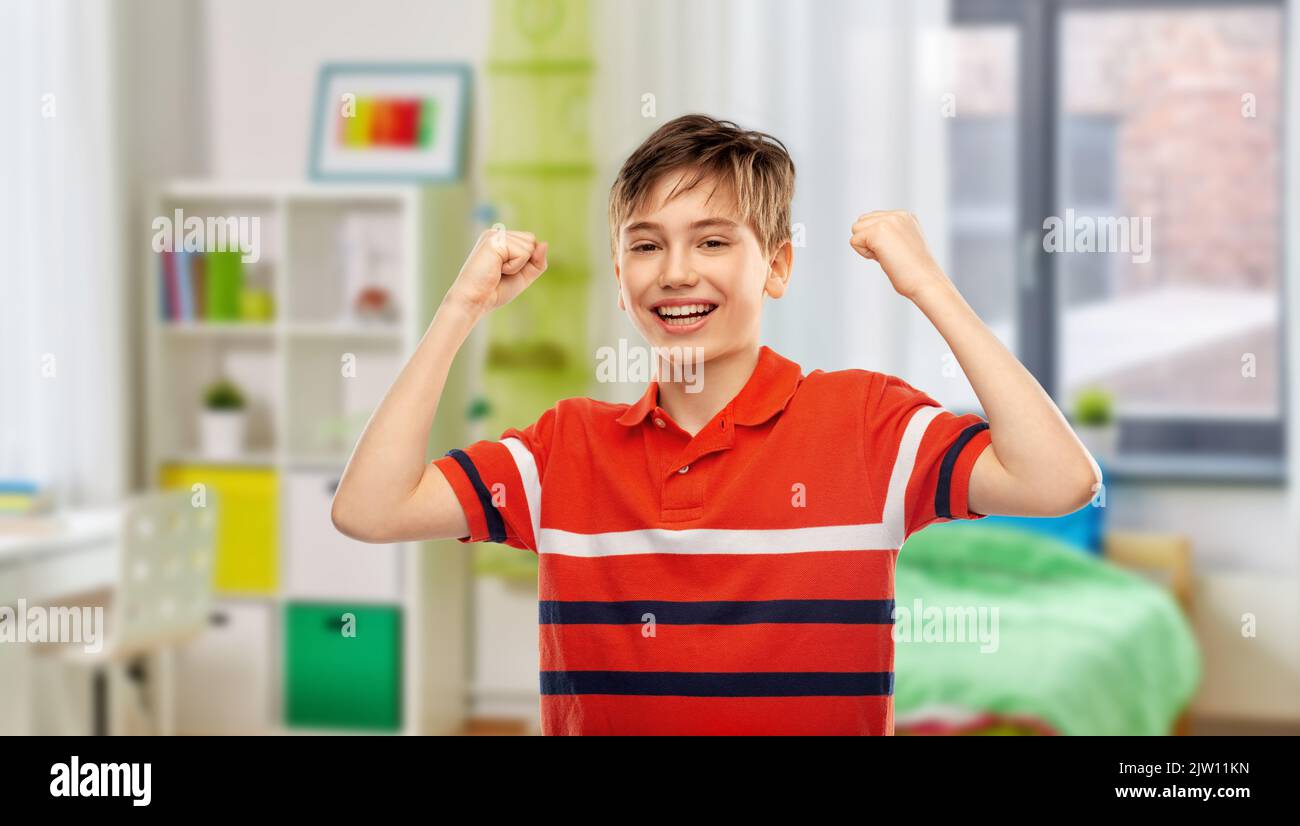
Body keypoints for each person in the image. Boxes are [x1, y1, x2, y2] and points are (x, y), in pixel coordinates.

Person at [331, 114, 1101, 735]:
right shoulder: (565, 447)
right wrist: (459, 310)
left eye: (712, 241)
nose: (675, 271)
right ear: (623, 283)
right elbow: (369, 509)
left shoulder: (866, 423)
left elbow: (1059, 479)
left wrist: (928, 285)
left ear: (777, 265)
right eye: (645, 246)